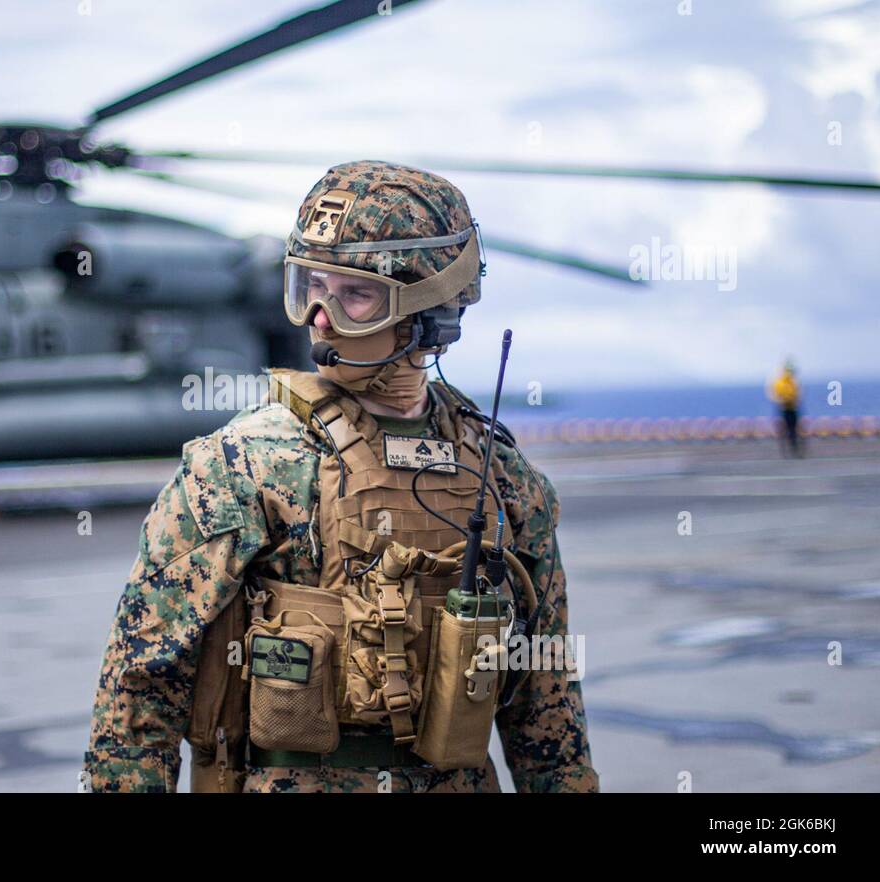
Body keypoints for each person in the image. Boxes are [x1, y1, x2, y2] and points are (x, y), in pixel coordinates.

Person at [83, 161, 598, 793]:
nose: (319, 319)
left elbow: (546, 706)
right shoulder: (245, 465)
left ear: (430, 311)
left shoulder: (508, 484)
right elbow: (142, 682)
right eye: (310, 288)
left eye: (353, 295)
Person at [767, 359, 803, 457]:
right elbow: (774, 394)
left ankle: (793, 449)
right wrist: (782, 399)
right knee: (788, 429)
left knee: (792, 429)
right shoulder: (780, 382)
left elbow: (798, 393)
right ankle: (790, 449)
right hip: (784, 408)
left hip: (791, 408)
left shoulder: (792, 381)